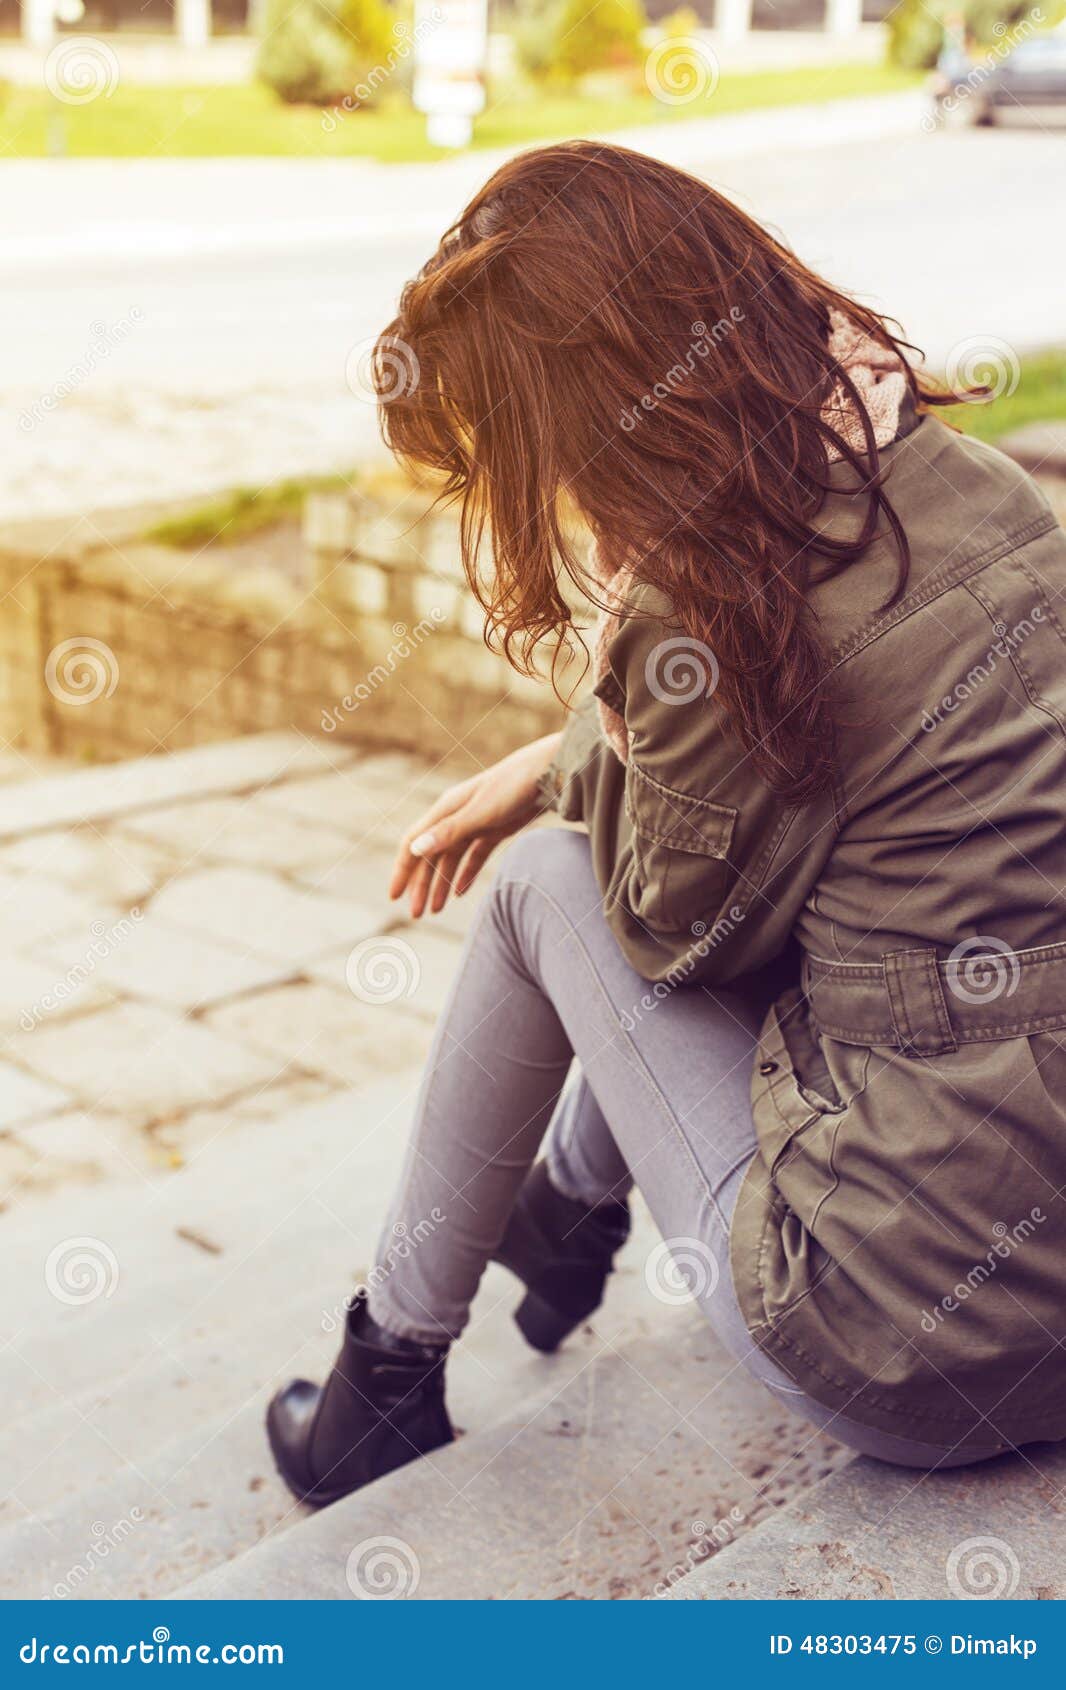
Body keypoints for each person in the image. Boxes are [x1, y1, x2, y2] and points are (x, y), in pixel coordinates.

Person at [267, 141, 1066, 1507]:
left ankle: (383, 1377)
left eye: (522, 450)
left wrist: (587, 721)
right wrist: (573, 749)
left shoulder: (715, 613)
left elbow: (663, 933)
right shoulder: (972, 487)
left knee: (537, 885)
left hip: (902, 1339)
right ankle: (561, 1218)